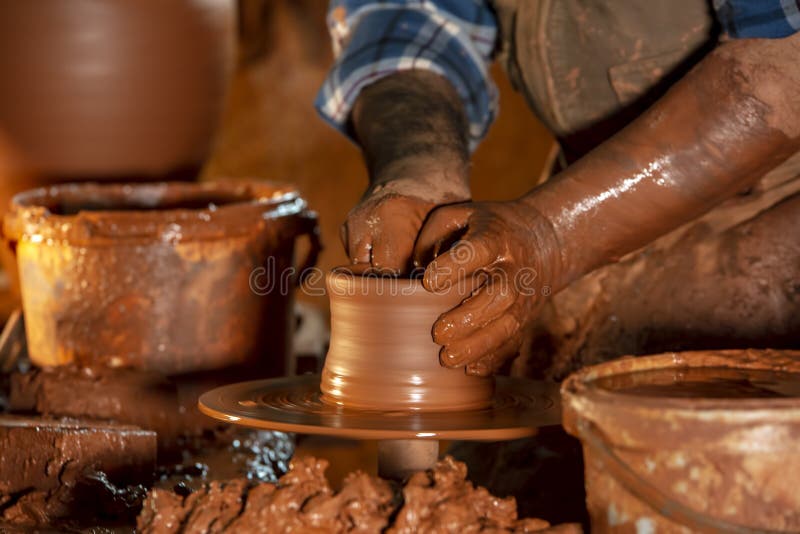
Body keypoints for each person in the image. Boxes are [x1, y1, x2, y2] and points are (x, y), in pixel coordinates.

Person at [315, 0, 800, 377]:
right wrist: (417, 165)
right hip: (574, 199)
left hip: (771, 210)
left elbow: (788, 56)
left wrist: (551, 235)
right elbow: (411, 17)